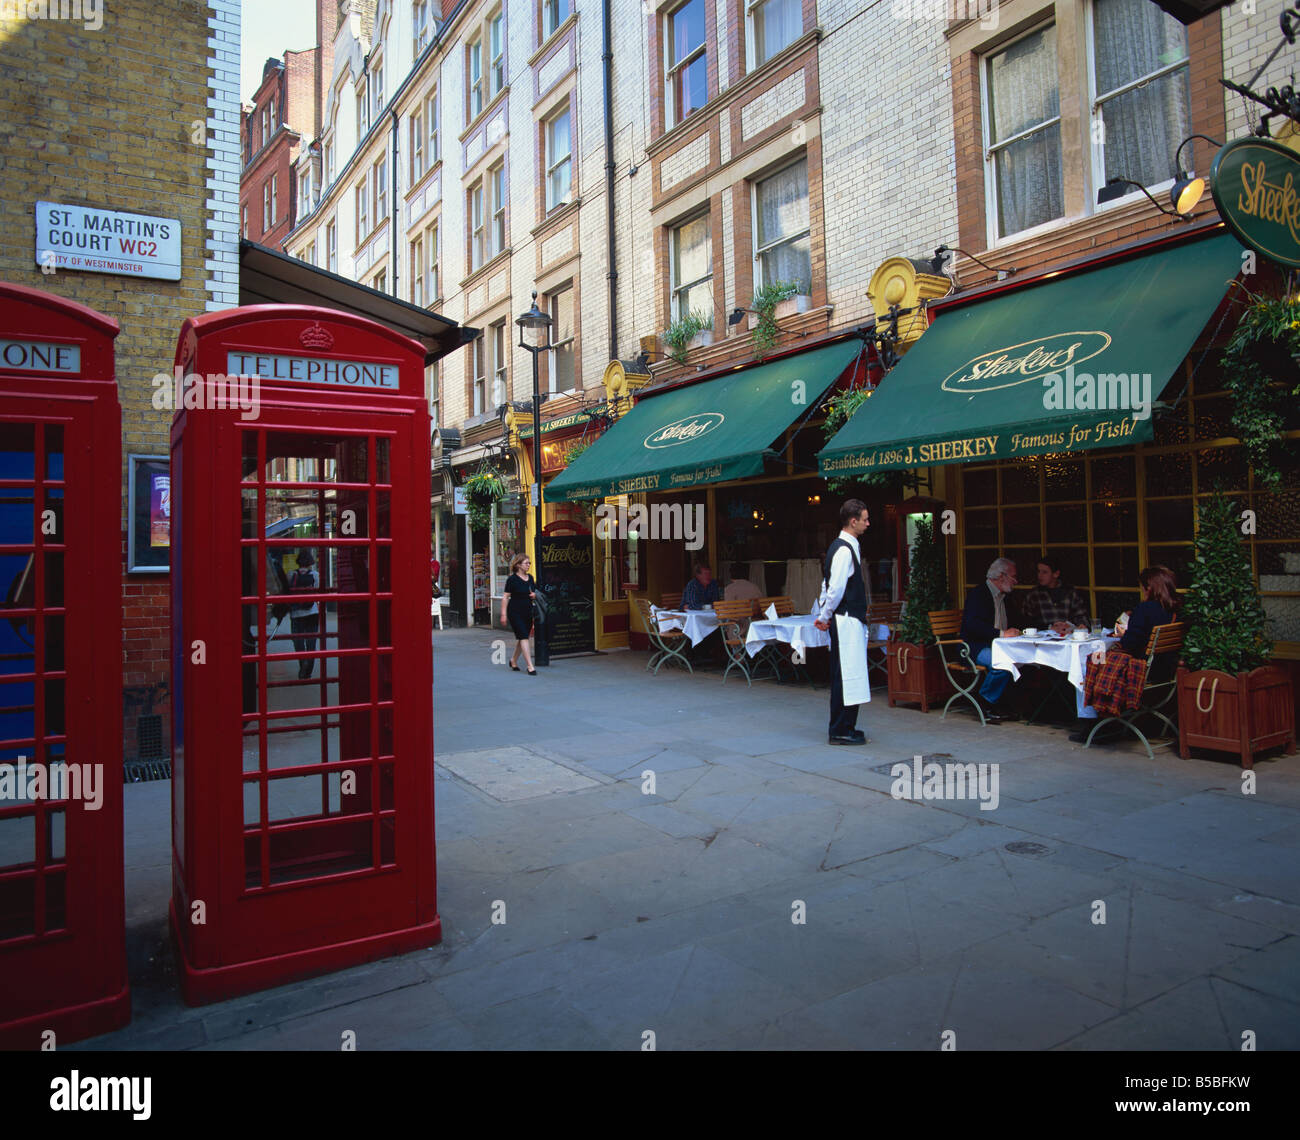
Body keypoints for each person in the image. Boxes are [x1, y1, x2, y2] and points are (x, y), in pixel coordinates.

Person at [1071, 565, 1179, 741]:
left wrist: (1123, 634)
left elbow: (1129, 643)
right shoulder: (1174, 610)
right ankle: (1104, 719)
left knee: (1088, 662)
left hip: (1144, 671)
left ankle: (1096, 722)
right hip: (1165, 670)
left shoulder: (1145, 609)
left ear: (1149, 588)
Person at [814, 499, 872, 745]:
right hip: (845, 619)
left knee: (851, 673)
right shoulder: (844, 549)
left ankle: (847, 725)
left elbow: (828, 586)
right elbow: (834, 589)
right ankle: (839, 728)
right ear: (853, 521)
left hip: (849, 618)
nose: (868, 523)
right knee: (845, 674)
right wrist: (824, 616)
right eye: (865, 519)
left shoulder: (848, 547)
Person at [960, 556, 1022, 723]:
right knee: (1003, 663)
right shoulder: (978, 594)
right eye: (1013, 576)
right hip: (975, 647)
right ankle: (985, 702)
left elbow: (1020, 619)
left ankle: (1007, 704)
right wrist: (1002, 634)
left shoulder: (1006, 596)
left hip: (1001, 646)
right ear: (1001, 576)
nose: (1016, 581)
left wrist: (1049, 627)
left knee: (1025, 661)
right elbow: (973, 626)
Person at [1020, 555, 1090, 636]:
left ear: (1056, 574)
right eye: (1038, 571)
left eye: (1044, 572)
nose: (1040, 575)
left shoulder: (1070, 593)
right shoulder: (1033, 595)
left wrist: (1078, 627)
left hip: (1068, 637)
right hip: (1042, 640)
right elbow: (1026, 623)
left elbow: (1082, 618)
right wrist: (1049, 627)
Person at [500, 553, 538, 674]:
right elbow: (505, 597)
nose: (528, 565)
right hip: (515, 612)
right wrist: (503, 614)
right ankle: (530, 666)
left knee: (524, 637)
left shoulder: (530, 578)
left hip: (527, 611)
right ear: (518, 565)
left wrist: (534, 595)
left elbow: (534, 592)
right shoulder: (512, 579)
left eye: (529, 563)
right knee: (523, 636)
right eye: (526, 563)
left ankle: (513, 660)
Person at [288, 550, 320, 681]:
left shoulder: (291, 574)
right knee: (311, 643)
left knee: (299, 643)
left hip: (296, 613)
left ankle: (302, 666)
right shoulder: (315, 574)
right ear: (310, 562)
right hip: (312, 612)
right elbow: (317, 592)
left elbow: (287, 592)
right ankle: (308, 672)